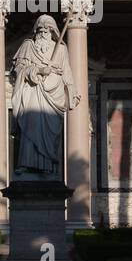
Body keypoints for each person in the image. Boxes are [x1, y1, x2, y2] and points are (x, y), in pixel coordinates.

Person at [10, 15, 79, 177]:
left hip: (53, 94)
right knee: (29, 129)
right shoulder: (28, 46)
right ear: (36, 31)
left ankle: (48, 166)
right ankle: (26, 164)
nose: (43, 34)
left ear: (53, 31)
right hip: (32, 93)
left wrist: (72, 92)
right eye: (40, 30)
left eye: (47, 31)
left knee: (49, 131)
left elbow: (67, 72)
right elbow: (19, 69)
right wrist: (39, 70)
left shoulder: (61, 49)